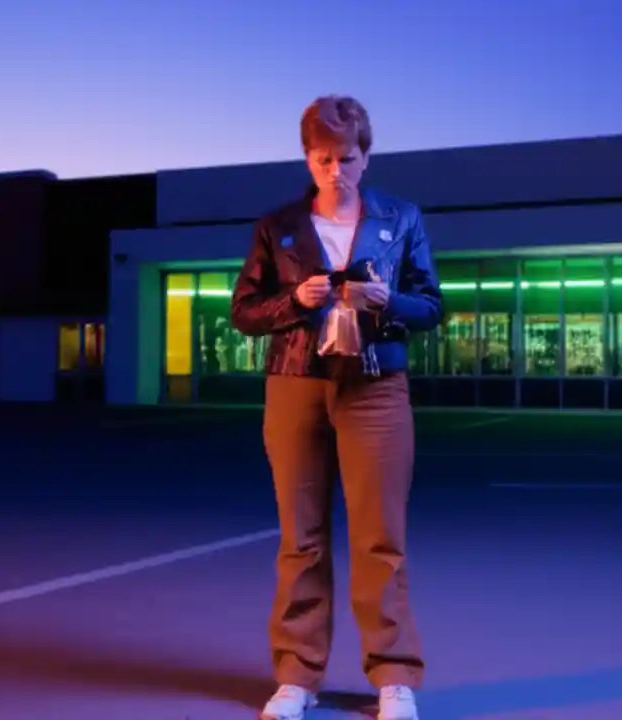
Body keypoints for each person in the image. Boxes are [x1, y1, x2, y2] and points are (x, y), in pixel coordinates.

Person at [230, 95, 442, 720]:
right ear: (307, 156)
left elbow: (431, 305)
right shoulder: (278, 227)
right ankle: (297, 676)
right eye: (322, 159)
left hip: (375, 386)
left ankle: (394, 676)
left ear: (366, 154)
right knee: (302, 539)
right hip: (295, 384)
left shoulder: (401, 218)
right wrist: (295, 297)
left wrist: (388, 302)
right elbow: (244, 312)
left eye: (347, 158)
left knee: (382, 538)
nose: (335, 171)